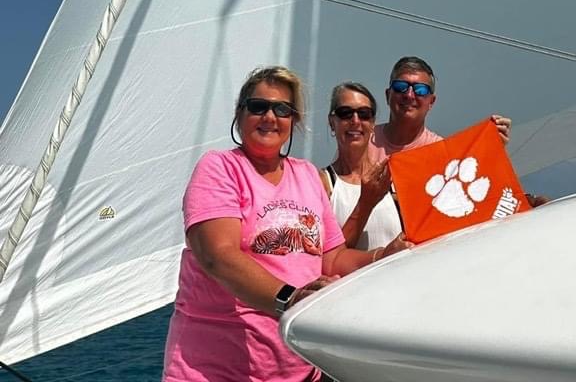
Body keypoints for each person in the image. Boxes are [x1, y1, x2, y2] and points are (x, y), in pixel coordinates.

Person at [162, 66, 410, 382]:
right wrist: (290, 300)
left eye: (282, 109)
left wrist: (383, 256)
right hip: (215, 372)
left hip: (299, 371)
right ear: (240, 114)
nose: (270, 116)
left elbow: (332, 257)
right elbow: (218, 256)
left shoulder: (305, 174)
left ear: (294, 121)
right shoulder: (219, 168)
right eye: (258, 106)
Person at [366, 55, 513, 161]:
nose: (409, 95)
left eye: (420, 90)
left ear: (431, 102)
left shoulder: (444, 154)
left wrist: (493, 151)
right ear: (387, 95)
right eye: (401, 87)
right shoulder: (362, 141)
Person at [319, 82, 401, 249]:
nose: (355, 121)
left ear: (372, 124)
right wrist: (365, 204)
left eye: (364, 114)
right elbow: (330, 257)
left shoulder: (393, 180)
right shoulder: (322, 183)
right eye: (345, 113)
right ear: (331, 122)